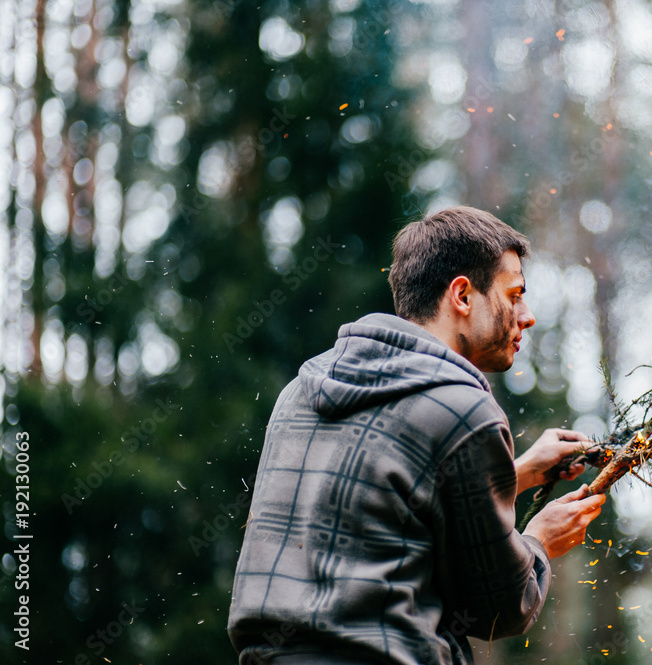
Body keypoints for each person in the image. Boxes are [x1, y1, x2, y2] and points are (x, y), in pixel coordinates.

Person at [228, 206, 607, 664]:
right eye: (514, 295)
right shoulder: (463, 409)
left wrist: (518, 474)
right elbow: (499, 608)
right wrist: (541, 541)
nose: (526, 316)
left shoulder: (299, 393)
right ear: (462, 295)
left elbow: (381, 506)